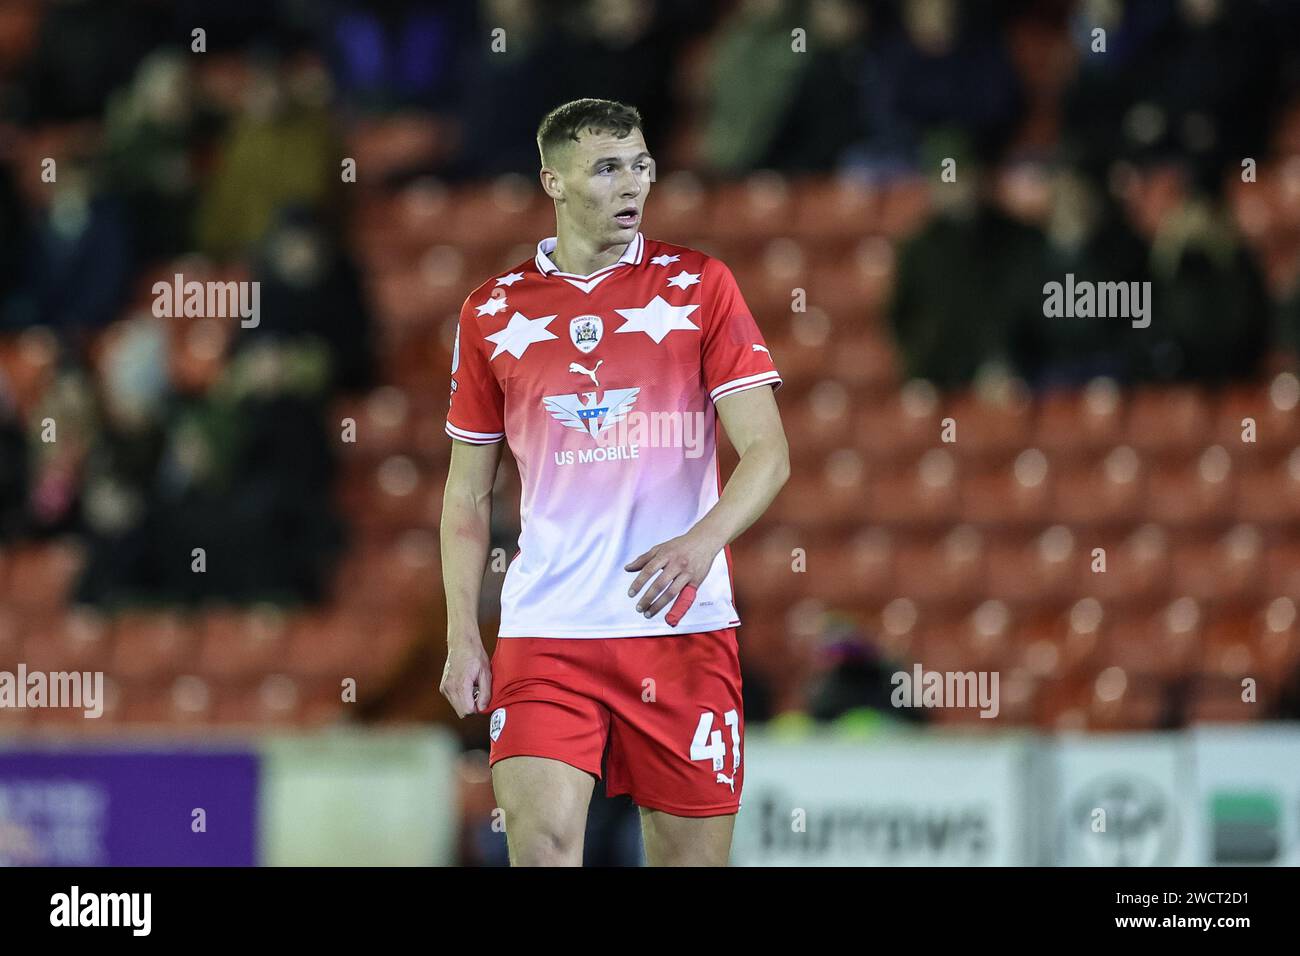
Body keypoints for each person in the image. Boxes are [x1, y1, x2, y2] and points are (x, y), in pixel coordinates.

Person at [438, 99, 789, 866]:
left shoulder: (700, 286)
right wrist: (464, 631)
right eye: (606, 168)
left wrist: (703, 544)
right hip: (547, 633)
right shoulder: (493, 312)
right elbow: (465, 496)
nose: (632, 182)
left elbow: (768, 452)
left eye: (640, 165)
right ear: (553, 182)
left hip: (680, 632)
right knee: (544, 848)